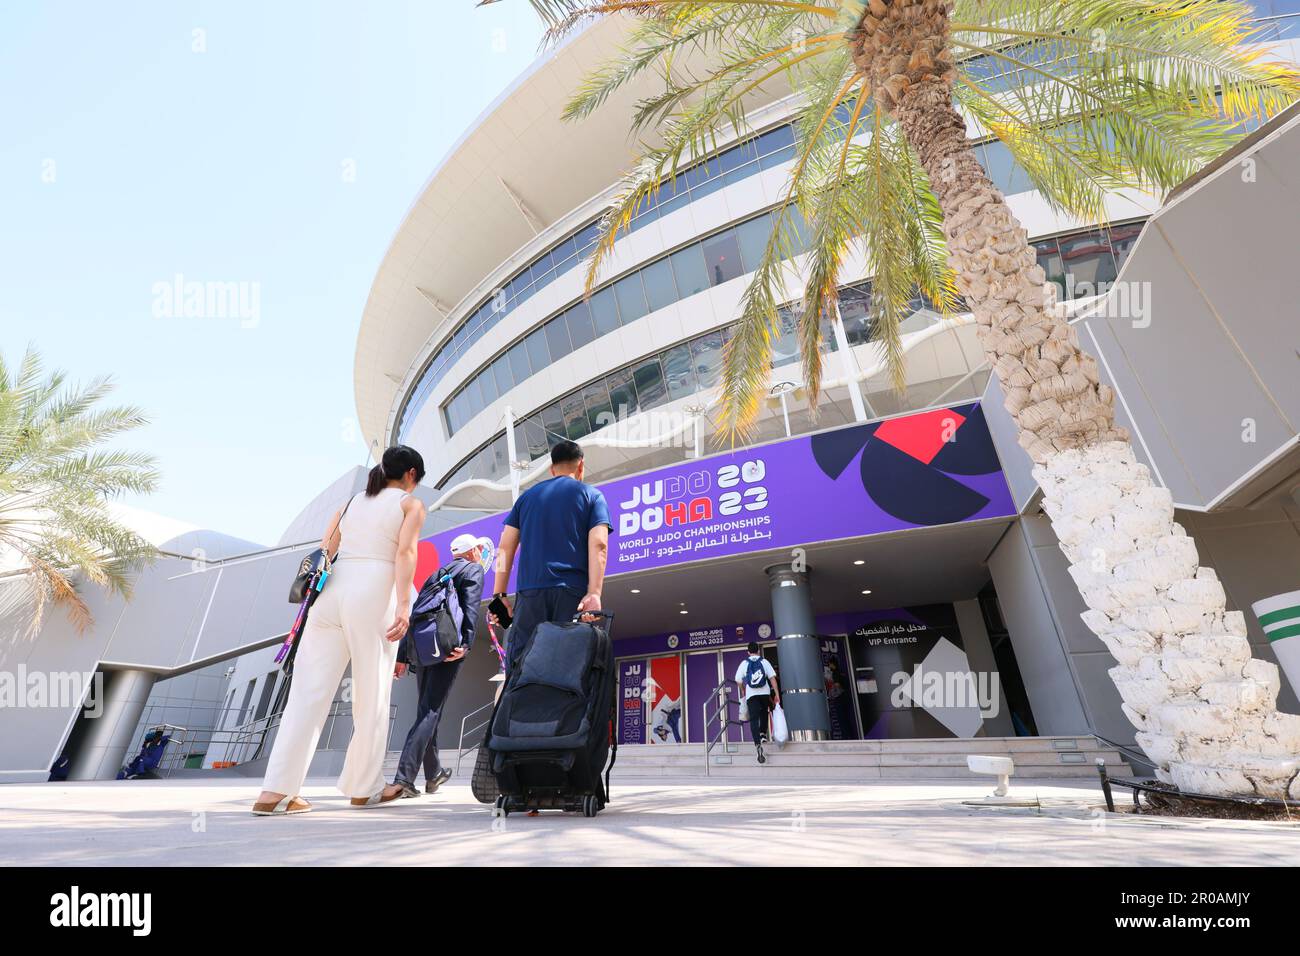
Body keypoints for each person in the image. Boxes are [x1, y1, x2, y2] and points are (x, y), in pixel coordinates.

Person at [252, 445, 427, 815]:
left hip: (331, 593)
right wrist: (404, 605)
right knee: (371, 693)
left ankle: (275, 792)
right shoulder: (410, 505)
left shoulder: (349, 503)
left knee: (306, 693)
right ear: (411, 474)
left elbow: (325, 550)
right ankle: (364, 789)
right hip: (374, 591)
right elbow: (405, 553)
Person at [491, 440, 610, 675]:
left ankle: (522, 711)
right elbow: (599, 544)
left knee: (523, 664)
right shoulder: (592, 496)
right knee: (567, 666)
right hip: (571, 594)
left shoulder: (525, 499)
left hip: (530, 593)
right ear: (581, 466)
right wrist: (594, 593)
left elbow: (504, 548)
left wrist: (499, 594)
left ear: (552, 469)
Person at [391, 532, 486, 797]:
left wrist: (402, 655)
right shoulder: (473, 570)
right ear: (473, 551)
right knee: (430, 710)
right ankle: (403, 779)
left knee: (428, 708)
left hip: (423, 648)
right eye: (479, 549)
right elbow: (471, 609)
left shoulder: (437, 573)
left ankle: (433, 774)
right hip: (448, 647)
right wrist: (465, 645)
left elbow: (415, 614)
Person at [735, 643, 780, 764]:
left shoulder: (744, 663)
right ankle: (763, 734)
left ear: (748, 652)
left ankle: (757, 745)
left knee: (754, 719)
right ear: (758, 651)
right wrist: (777, 694)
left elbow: (738, 680)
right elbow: (772, 679)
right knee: (764, 712)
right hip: (764, 693)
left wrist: (743, 689)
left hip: (751, 695)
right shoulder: (764, 662)